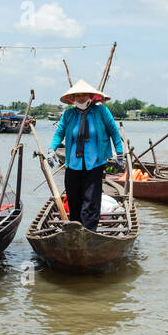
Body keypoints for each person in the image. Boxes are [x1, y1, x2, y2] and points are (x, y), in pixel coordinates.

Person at [48, 79, 124, 231]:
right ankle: (76, 228)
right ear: (73, 98)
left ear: (91, 96)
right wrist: (51, 150)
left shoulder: (101, 111)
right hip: (73, 163)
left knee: (90, 200)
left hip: (94, 162)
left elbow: (114, 132)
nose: (81, 98)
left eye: (84, 95)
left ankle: (89, 231)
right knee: (73, 197)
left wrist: (120, 153)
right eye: (77, 96)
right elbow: (59, 133)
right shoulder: (69, 114)